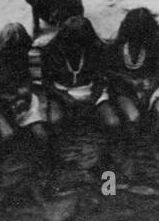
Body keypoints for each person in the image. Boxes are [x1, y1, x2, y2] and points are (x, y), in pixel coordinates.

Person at [0, 22, 56, 196]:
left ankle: (45, 173)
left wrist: (25, 92)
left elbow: (28, 79)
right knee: (7, 135)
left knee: (41, 133)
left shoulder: (21, 55)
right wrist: (7, 98)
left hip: (19, 101)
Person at [39, 16, 122, 164]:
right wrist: (64, 97)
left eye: (79, 42)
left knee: (113, 122)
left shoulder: (97, 49)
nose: (74, 46)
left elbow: (101, 79)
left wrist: (93, 98)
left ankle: (107, 159)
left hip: (90, 90)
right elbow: (47, 83)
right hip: (61, 91)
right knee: (54, 120)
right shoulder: (51, 51)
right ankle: (55, 161)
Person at [106, 8, 159, 171]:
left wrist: (149, 91)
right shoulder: (117, 46)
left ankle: (154, 146)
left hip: (151, 86)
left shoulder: (154, 45)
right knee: (133, 117)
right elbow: (109, 72)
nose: (137, 38)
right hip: (125, 90)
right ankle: (131, 153)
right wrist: (129, 81)